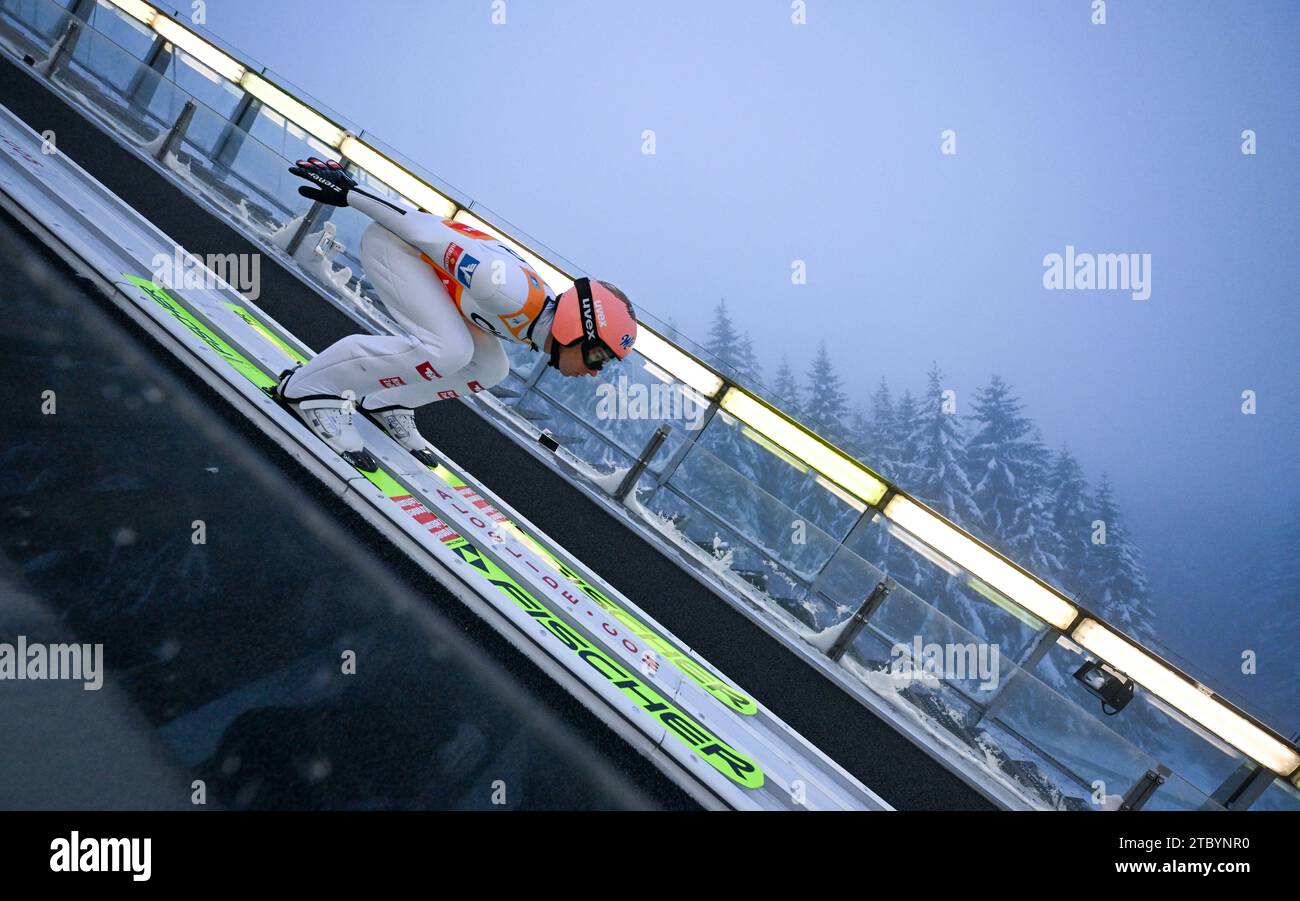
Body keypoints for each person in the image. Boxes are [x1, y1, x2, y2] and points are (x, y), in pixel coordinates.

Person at [275, 157, 637, 466]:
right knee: (450, 350)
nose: (592, 372)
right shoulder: (509, 292)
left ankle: (387, 403)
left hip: (431, 273)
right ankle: (313, 388)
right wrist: (351, 192)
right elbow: (427, 230)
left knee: (492, 367)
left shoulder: (532, 317)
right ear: (578, 327)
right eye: (597, 356)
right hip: (396, 249)